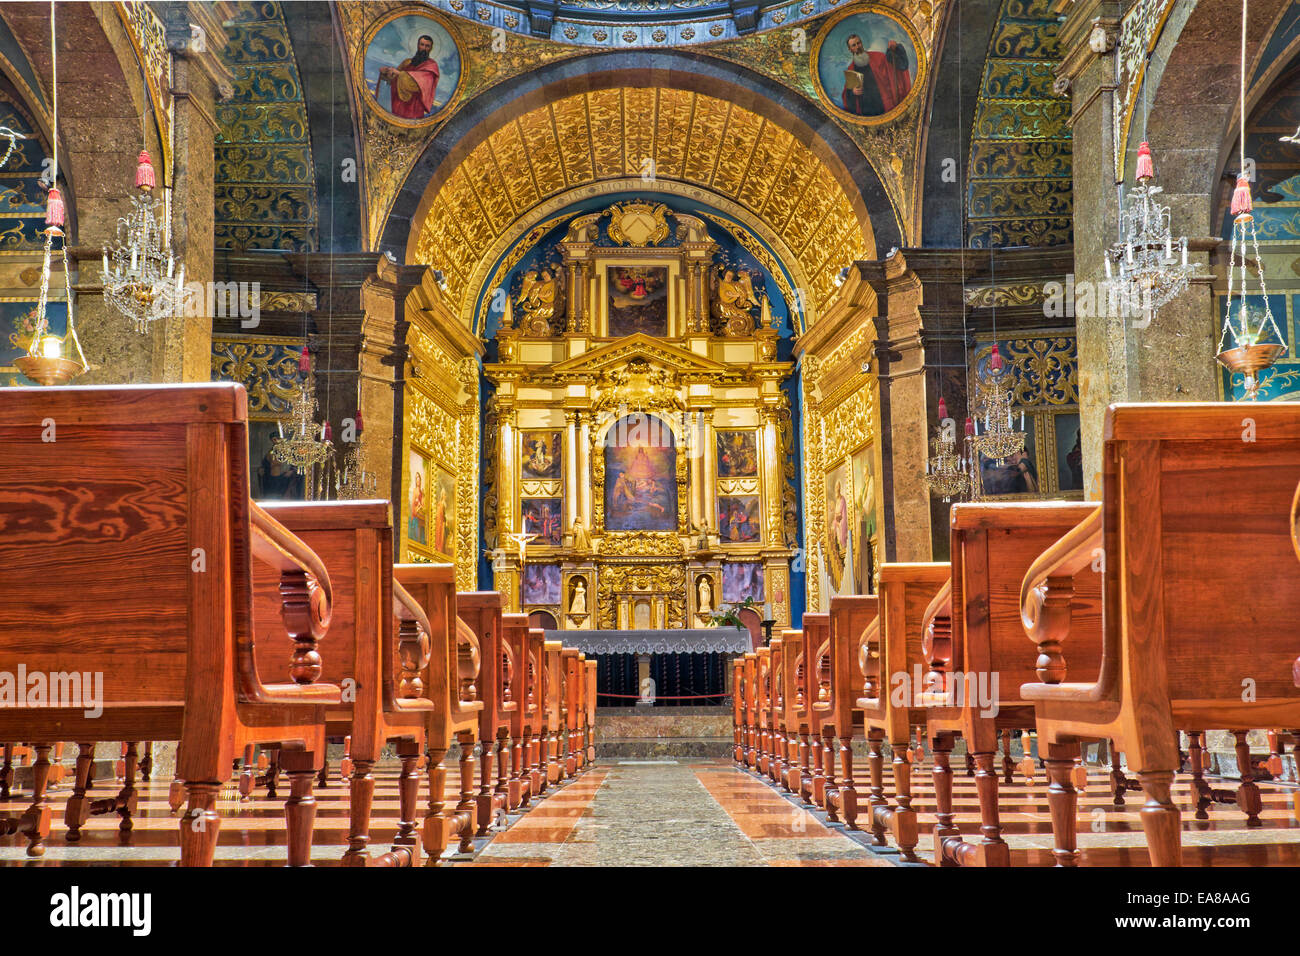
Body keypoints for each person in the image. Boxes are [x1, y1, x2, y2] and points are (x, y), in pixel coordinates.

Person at [841, 32, 911, 117]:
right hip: (866, 109)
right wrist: (853, 92)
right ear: (850, 49)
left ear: (861, 43)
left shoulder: (878, 57)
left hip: (882, 103)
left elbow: (893, 70)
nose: (857, 47)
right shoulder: (851, 69)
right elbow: (847, 94)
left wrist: (895, 50)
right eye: (854, 45)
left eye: (858, 43)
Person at [375, 34, 440, 119]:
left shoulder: (431, 66)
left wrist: (399, 73)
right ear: (418, 45)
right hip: (397, 103)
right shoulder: (407, 62)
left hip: (413, 107)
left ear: (430, 48)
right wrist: (387, 72)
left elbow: (418, 84)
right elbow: (394, 78)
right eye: (422, 44)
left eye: (427, 46)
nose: (424, 48)